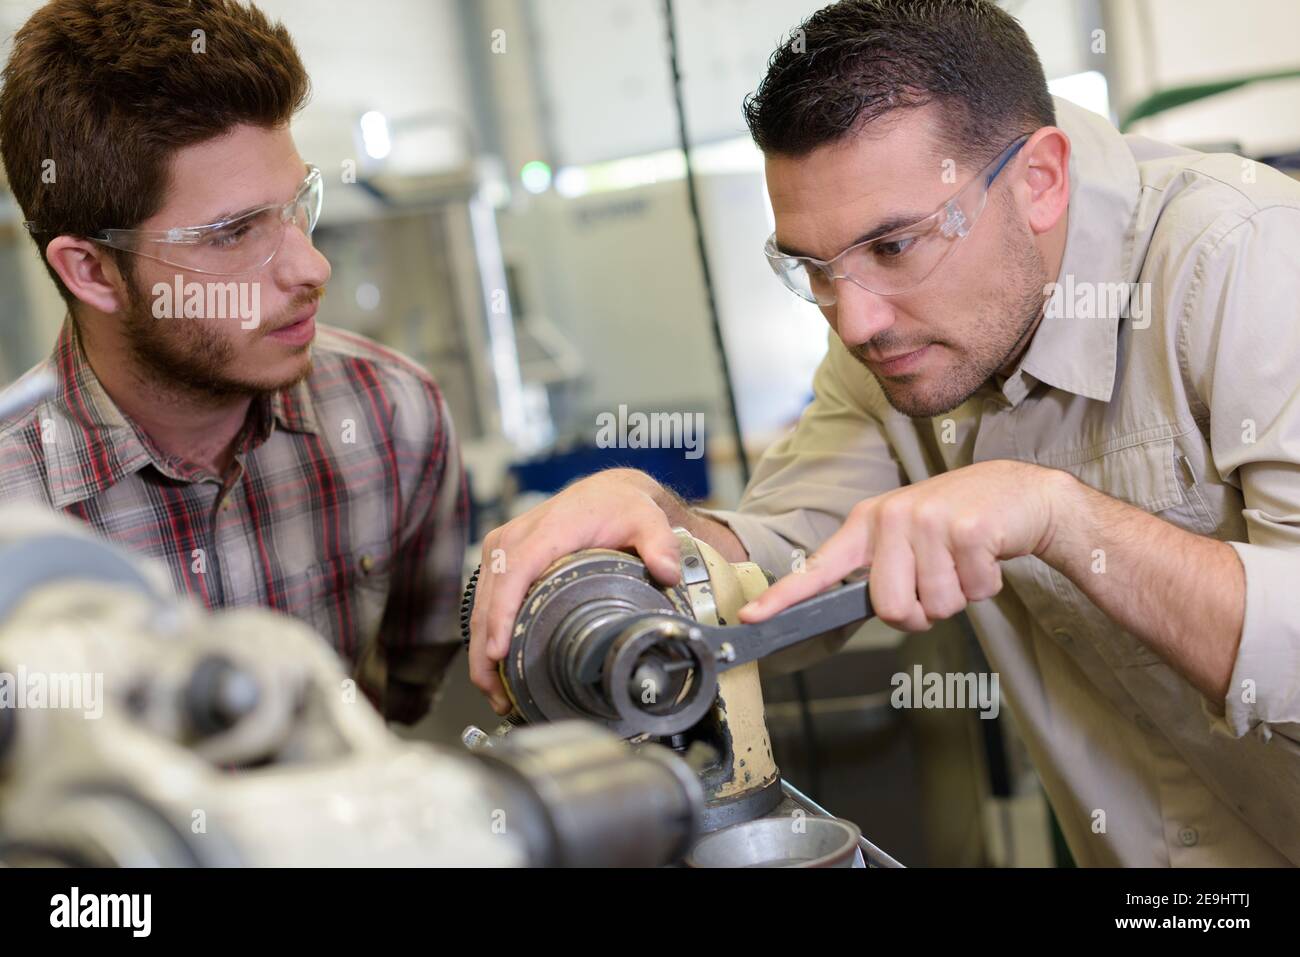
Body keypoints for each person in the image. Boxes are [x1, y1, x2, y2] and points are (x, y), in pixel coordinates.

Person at [468, 0, 1300, 865]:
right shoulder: (892, 344)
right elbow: (784, 565)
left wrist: (1057, 516)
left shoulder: (1247, 262)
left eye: (896, 247)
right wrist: (648, 522)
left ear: (1041, 182)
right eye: (814, 269)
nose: (857, 323)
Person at [0, 0, 468, 724]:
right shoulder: (13, 507)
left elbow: (425, 713)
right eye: (232, 234)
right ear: (91, 271)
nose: (312, 267)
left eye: (295, 206)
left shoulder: (392, 415)